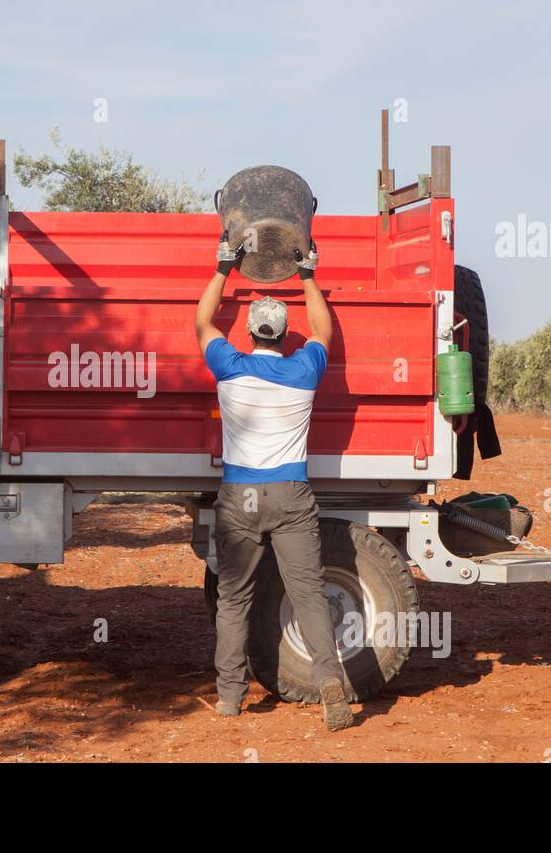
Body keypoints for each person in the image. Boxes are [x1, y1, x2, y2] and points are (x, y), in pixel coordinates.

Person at [192, 233, 355, 732]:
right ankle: (331, 688)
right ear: (285, 336)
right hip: (291, 495)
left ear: (249, 333)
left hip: (239, 496)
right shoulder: (305, 370)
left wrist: (223, 267)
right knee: (307, 594)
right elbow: (324, 330)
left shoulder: (229, 367)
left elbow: (201, 321)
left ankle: (228, 698)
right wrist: (308, 276)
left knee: (234, 598)